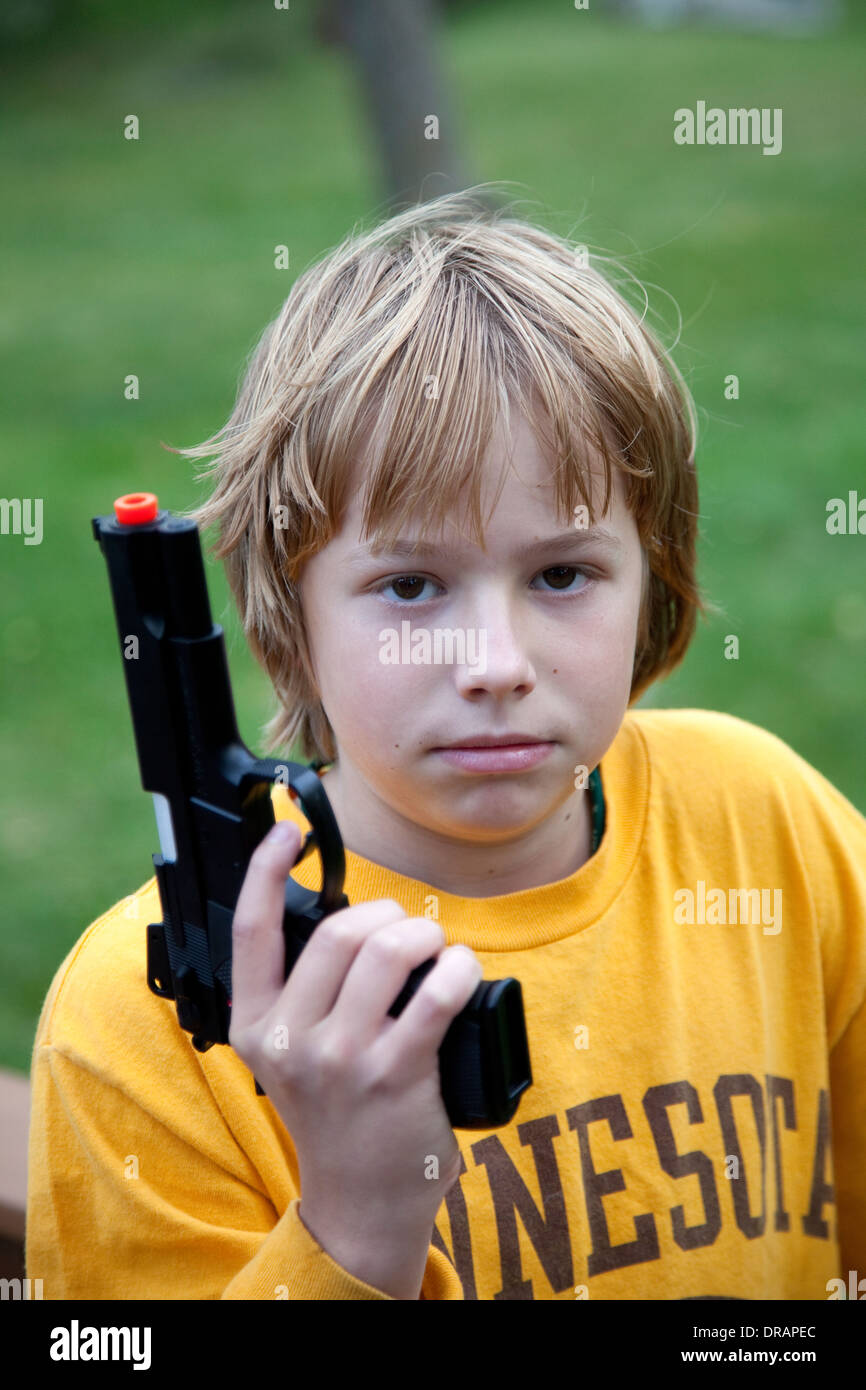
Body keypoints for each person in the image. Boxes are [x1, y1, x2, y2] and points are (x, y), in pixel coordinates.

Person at [26, 188, 866, 1300]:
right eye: (410, 585)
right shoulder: (138, 1028)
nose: (494, 660)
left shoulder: (767, 823)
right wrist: (356, 1226)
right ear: (289, 611)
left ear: (651, 575)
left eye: (560, 573)